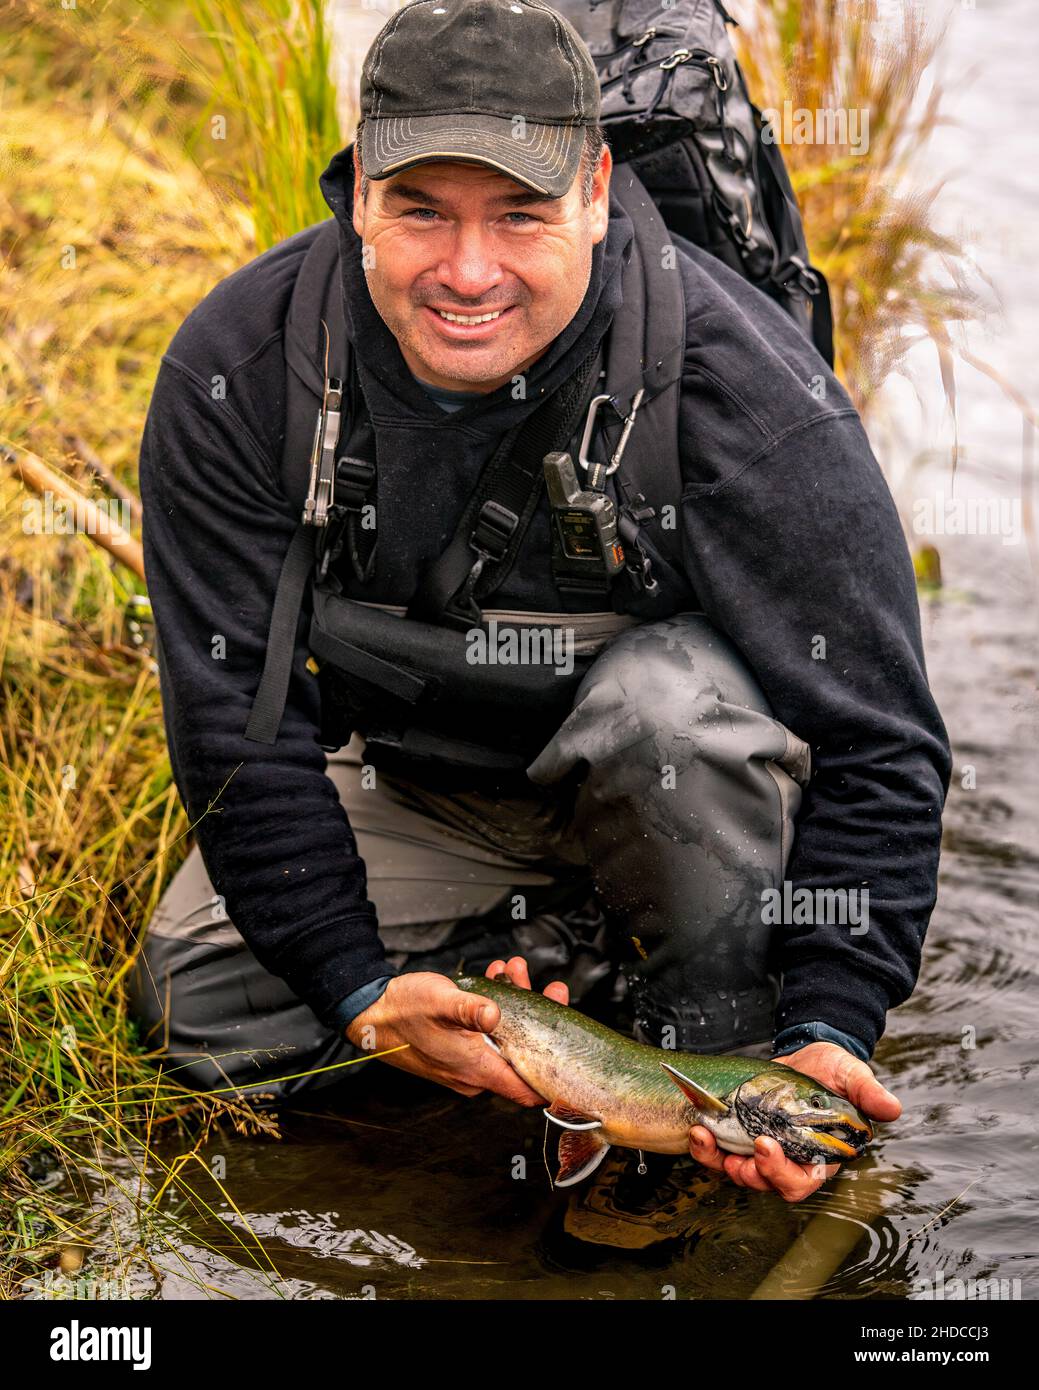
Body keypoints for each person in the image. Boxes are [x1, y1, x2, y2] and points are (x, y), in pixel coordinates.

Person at [133, 0, 950, 1205]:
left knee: (669, 714)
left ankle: (708, 1048)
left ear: (597, 192)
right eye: (421, 209)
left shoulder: (747, 396)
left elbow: (881, 746)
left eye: (520, 213)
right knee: (195, 1007)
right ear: (356, 194)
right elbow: (237, 734)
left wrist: (833, 1016)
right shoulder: (240, 373)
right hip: (425, 792)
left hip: (687, 801)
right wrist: (362, 992)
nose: (469, 272)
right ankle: (556, 977)